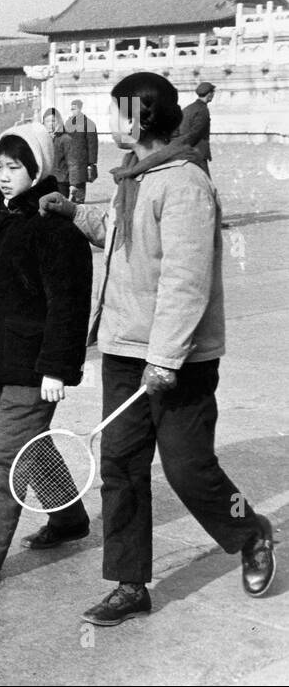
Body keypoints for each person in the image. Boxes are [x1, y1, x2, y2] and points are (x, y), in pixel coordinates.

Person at [39, 72, 273, 625]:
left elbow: (186, 281)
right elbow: (125, 236)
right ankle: (129, 584)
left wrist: (164, 360)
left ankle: (250, 531)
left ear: (142, 117)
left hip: (179, 359)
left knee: (189, 468)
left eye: (119, 111)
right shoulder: (135, 177)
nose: (112, 121)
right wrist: (75, 214)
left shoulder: (185, 182)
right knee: (121, 465)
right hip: (125, 348)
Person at [0, 123, 93, 592]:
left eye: (14, 167)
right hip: (2, 356)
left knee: (3, 459)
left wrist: (57, 367)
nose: (4, 176)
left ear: (39, 169)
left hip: (36, 367)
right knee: (32, 449)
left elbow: (68, 305)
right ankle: (69, 518)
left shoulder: (57, 229)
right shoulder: (1, 219)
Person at [44, 106, 83, 200]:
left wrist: (73, 184)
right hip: (45, 182)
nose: (50, 124)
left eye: (53, 120)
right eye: (47, 121)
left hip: (61, 182)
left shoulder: (66, 139)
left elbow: (73, 163)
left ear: (59, 121)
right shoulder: (42, 139)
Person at [176, 81, 215, 172]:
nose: (213, 95)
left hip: (185, 152)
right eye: (213, 93)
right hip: (197, 154)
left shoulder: (189, 108)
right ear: (209, 94)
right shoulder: (202, 110)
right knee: (205, 183)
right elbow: (196, 133)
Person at [65, 99, 98, 202]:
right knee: (69, 179)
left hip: (82, 158)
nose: (72, 111)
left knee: (80, 180)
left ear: (80, 108)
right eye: (71, 109)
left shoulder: (89, 124)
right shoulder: (68, 122)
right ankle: (71, 199)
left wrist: (91, 162)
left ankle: (80, 200)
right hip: (69, 157)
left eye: (74, 109)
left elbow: (92, 144)